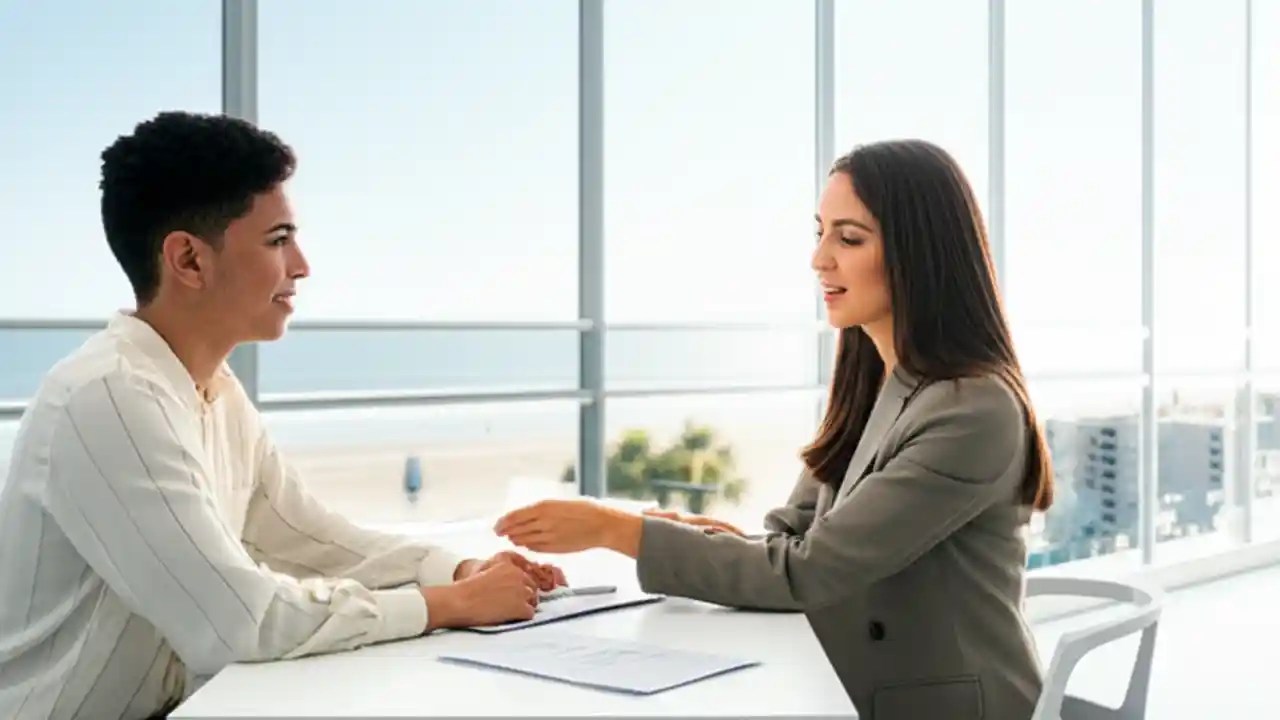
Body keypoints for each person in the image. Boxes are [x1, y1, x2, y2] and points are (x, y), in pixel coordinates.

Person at [0, 111, 564, 720]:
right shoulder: (107, 398)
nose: (301, 265)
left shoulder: (212, 390)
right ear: (189, 260)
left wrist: (457, 569)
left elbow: (304, 538)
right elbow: (241, 622)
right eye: (277, 240)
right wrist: (448, 604)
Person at [495, 139, 1053, 719]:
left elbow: (808, 571)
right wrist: (690, 533)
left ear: (920, 254)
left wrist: (615, 529)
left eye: (849, 239)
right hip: (856, 685)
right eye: (820, 232)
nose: (820, 259)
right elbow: (791, 535)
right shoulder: (874, 382)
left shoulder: (972, 411)